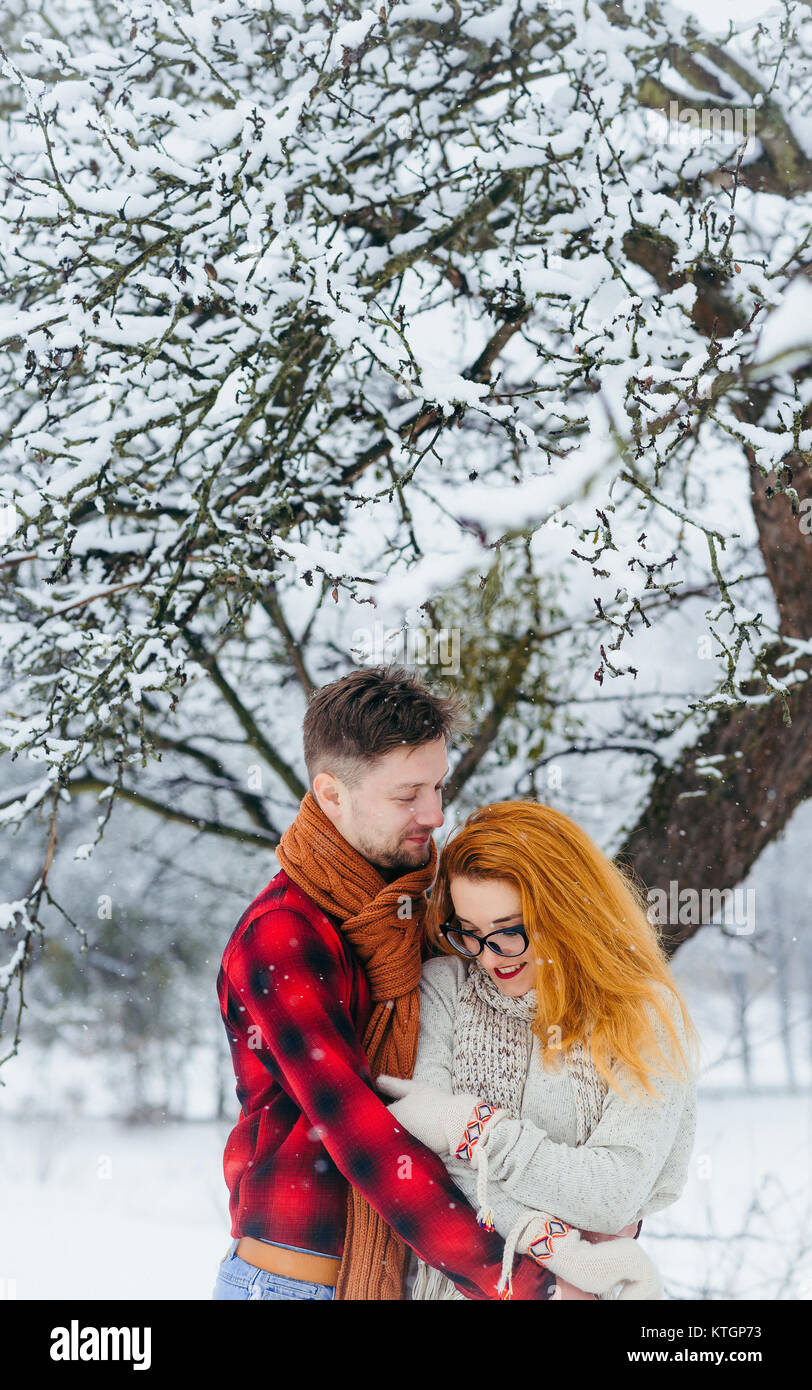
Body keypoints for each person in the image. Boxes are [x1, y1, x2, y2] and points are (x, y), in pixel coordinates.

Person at [212, 665, 560, 1301]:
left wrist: (587, 1201)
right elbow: (360, 1129)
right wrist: (517, 1284)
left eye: (438, 786)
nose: (435, 812)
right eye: (408, 796)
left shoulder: (421, 912)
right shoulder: (283, 935)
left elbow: (514, 1057)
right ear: (331, 794)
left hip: (420, 1276)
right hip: (295, 1287)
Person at [378, 800, 700, 1300]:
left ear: (565, 910)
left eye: (510, 930)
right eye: (470, 932)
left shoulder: (644, 1015)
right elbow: (433, 1172)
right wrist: (562, 1251)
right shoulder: (445, 989)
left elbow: (612, 1194)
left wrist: (473, 1128)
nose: (489, 957)